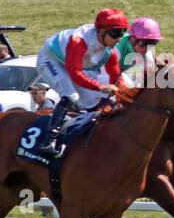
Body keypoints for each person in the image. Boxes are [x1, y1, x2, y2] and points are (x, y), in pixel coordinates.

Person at [34, 8, 128, 158]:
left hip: (73, 64)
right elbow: (75, 74)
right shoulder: (79, 41)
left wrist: (125, 95)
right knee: (71, 96)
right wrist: (101, 87)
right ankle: (48, 141)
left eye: (122, 34)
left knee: (94, 101)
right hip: (51, 59)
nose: (118, 39)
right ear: (101, 31)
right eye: (115, 33)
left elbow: (116, 78)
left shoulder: (111, 51)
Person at [116, 16, 162, 83]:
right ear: (133, 38)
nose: (147, 48)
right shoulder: (117, 48)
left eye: (153, 43)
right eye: (145, 43)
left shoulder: (146, 51)